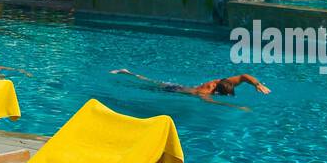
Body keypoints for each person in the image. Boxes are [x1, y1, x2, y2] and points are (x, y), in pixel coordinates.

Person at [111, 70, 270, 100]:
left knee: (150, 83)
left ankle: (128, 73)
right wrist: (236, 108)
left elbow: (243, 76)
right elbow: (214, 103)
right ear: (216, 91)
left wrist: (257, 84)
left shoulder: (224, 81)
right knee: (147, 84)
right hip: (175, 90)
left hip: (179, 86)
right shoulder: (203, 93)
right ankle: (127, 73)